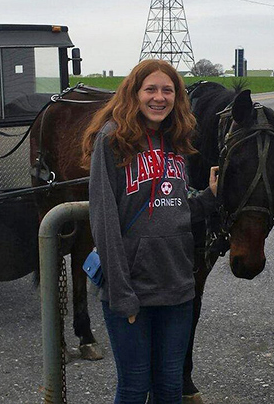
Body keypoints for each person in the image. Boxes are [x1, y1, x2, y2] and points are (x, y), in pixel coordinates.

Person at [81, 59, 219, 403]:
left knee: (171, 386)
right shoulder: (112, 139)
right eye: (151, 89)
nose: (159, 98)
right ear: (134, 94)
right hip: (132, 291)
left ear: (177, 97)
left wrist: (211, 198)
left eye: (167, 90)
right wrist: (121, 293)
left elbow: (178, 211)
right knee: (133, 387)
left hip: (177, 289)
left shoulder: (177, 141)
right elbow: (104, 222)